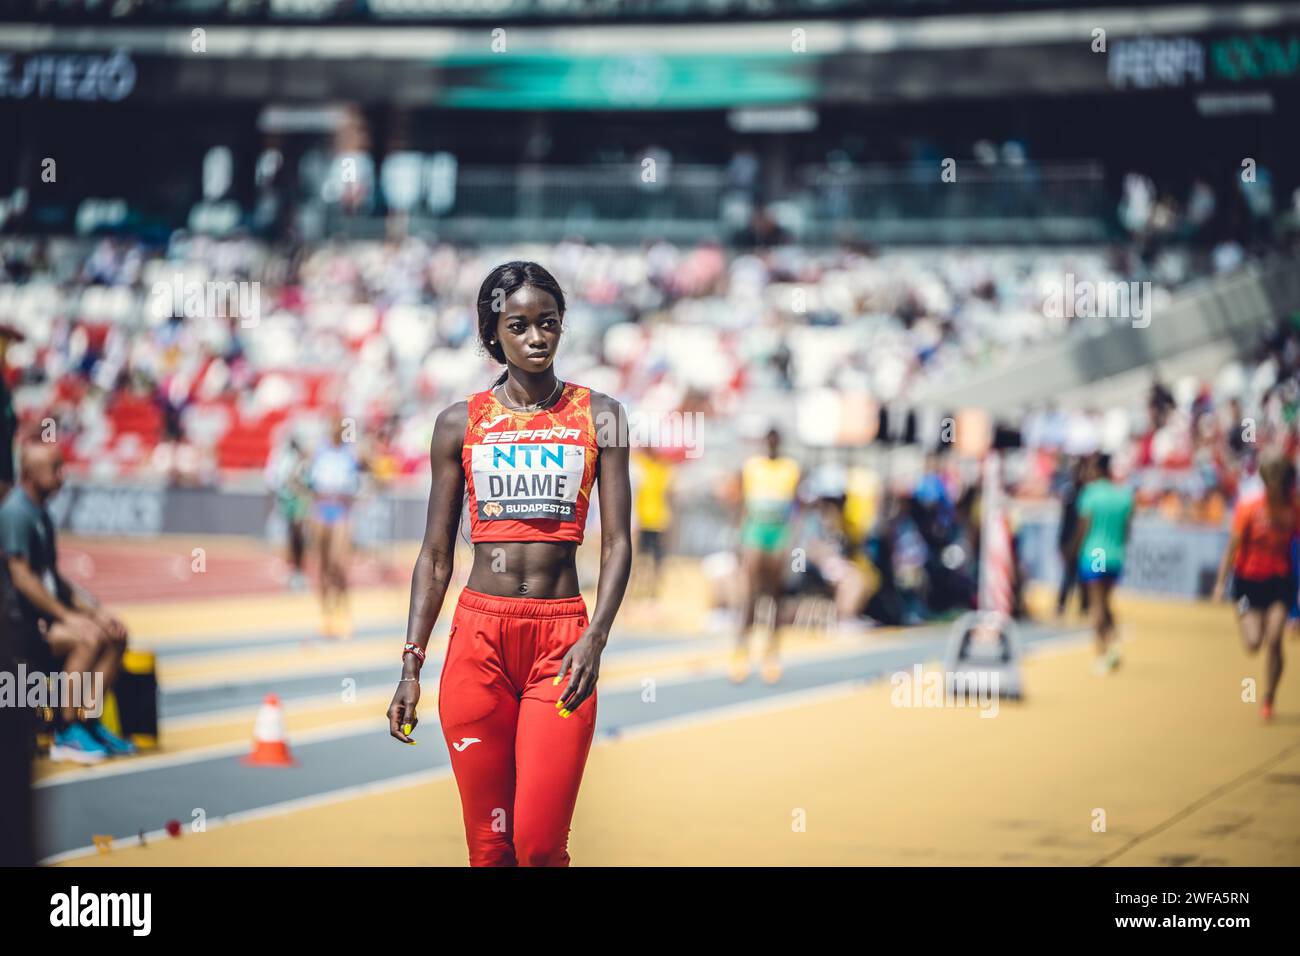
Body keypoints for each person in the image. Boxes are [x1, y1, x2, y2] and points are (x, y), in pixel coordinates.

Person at [387, 261, 632, 867]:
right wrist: (412, 665)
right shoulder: (458, 423)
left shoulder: (601, 415)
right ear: (492, 334)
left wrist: (594, 638)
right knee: (490, 850)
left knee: (540, 846)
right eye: (518, 326)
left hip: (561, 642)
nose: (536, 337)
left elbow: (621, 541)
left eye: (548, 323)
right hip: (478, 642)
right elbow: (436, 555)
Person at [0, 441, 135, 763]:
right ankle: (66, 728)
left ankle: (89, 720)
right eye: (55, 469)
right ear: (31, 474)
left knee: (115, 633)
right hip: (21, 628)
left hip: (44, 620)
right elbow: (22, 578)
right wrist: (68, 617)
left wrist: (94, 610)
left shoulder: (40, 513)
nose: (63, 476)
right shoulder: (16, 513)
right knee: (87, 638)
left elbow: (53, 580)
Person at [1213, 452, 1296, 723]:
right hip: (1247, 583)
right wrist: (1220, 583)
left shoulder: (1294, 509)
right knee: (1253, 643)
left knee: (1274, 639)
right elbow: (1232, 548)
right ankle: (1247, 620)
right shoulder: (1249, 508)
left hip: (1279, 582)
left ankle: (1269, 696)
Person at [733, 427, 800, 683]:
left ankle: (772, 654)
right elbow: (742, 505)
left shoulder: (790, 468)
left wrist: (791, 540)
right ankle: (741, 651)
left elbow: (796, 508)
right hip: (756, 528)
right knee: (749, 595)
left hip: (778, 529)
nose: (771, 444)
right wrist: (739, 539)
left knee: (774, 596)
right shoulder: (752, 467)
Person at [1072, 453, 1134, 674]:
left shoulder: (1091, 494)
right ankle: (1114, 645)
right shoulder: (1124, 496)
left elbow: (1084, 526)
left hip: (1095, 553)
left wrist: (1075, 550)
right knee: (1107, 603)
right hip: (1116, 554)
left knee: (1096, 605)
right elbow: (1127, 531)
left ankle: (1102, 653)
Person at [309, 422, 363, 638]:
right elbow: (312, 482)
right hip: (322, 508)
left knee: (338, 563)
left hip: (340, 509)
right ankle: (325, 614)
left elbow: (354, 484)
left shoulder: (348, 454)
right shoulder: (320, 452)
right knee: (321, 564)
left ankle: (344, 611)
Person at [264, 437, 311, 591]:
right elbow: (277, 481)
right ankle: (293, 569)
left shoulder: (299, 462)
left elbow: (303, 483)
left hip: (296, 502)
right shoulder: (284, 459)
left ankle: (297, 570)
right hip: (287, 502)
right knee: (289, 536)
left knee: (296, 536)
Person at [631, 448, 674, 602]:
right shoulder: (638, 466)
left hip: (658, 521)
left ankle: (652, 593)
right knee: (636, 560)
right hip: (641, 521)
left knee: (657, 561)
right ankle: (633, 593)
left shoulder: (663, 468)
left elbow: (668, 496)